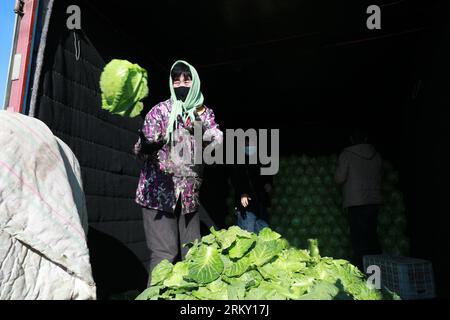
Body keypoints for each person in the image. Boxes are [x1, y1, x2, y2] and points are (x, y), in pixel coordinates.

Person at [133, 61, 223, 285]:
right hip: (158, 194)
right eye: (176, 80)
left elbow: (217, 144)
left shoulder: (204, 114)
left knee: (192, 254)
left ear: (194, 81)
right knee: (165, 255)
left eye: (186, 79)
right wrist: (146, 146)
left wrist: (198, 127)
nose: (181, 84)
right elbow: (140, 149)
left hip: (188, 197)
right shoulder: (161, 111)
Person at [335, 128, 383, 270]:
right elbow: (381, 175)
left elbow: (339, 178)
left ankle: (364, 272)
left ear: (351, 139)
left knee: (359, 240)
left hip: (356, 202)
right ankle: (378, 271)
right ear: (366, 139)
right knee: (372, 238)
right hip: (373, 201)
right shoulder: (376, 155)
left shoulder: (347, 155)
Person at [230, 139, 273, 233]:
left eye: (251, 144)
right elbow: (236, 178)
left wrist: (268, 183)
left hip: (261, 203)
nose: (249, 147)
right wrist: (242, 193)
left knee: (263, 234)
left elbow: (265, 175)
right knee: (247, 235)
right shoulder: (238, 160)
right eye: (246, 144)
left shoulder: (259, 159)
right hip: (246, 205)